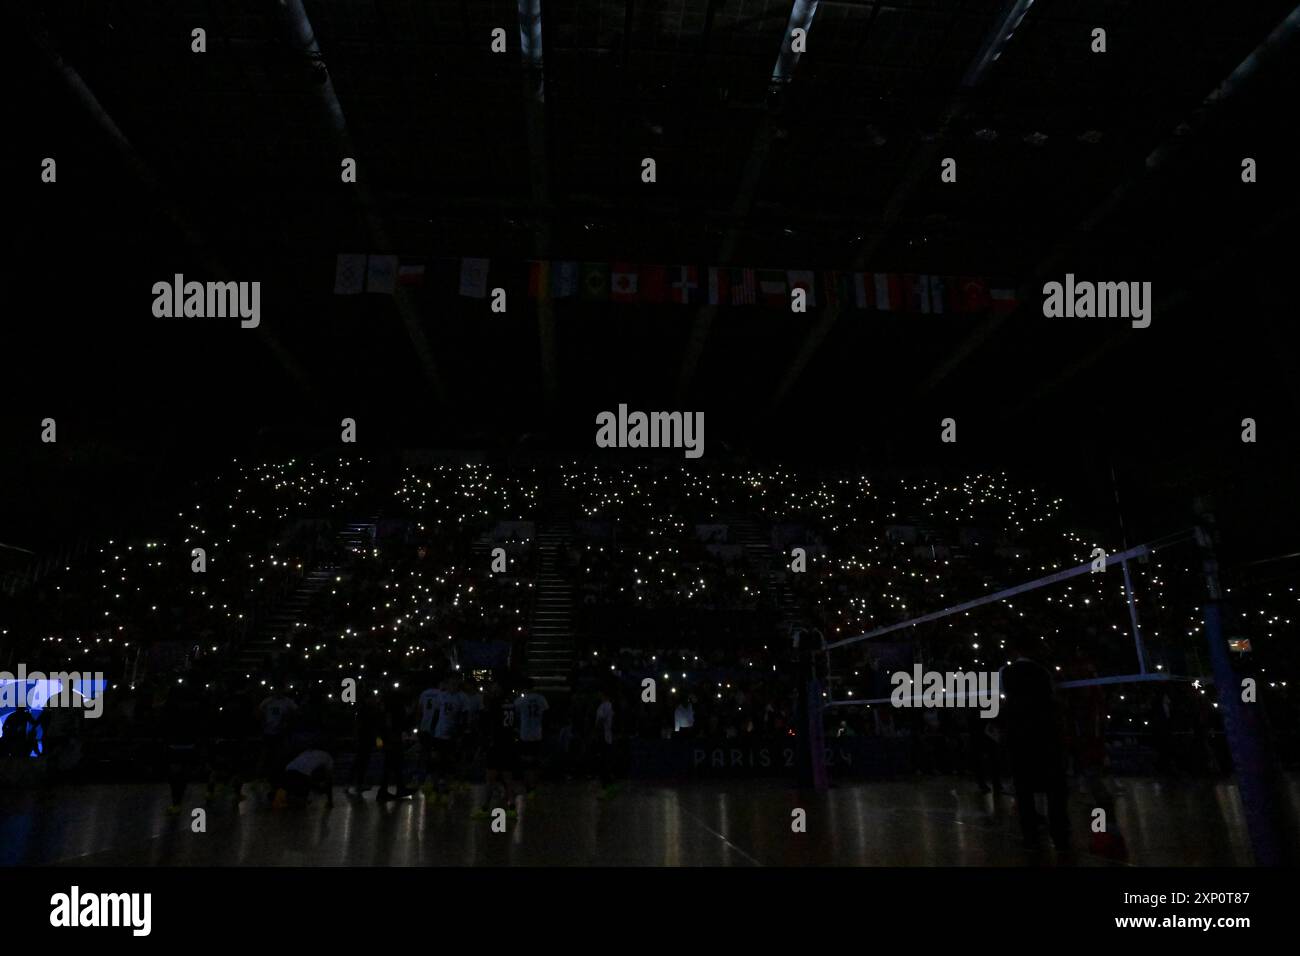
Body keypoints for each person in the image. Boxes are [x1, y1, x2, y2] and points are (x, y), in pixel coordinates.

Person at [1000, 634, 1070, 851]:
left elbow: (1004, 699)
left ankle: (1030, 836)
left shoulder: (1005, 673)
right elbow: (1054, 699)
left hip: (1019, 737)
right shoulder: (1044, 672)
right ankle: (1060, 836)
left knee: (1024, 789)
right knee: (1054, 789)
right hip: (1045, 735)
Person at [473, 682, 518, 819]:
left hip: (497, 744)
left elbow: (488, 724)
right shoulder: (511, 703)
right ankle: (511, 808)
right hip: (509, 743)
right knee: (508, 778)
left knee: (490, 778)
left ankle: (485, 807)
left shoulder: (494, 705)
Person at [513, 679, 548, 796]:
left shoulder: (521, 700)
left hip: (525, 734)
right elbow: (546, 714)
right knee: (536, 761)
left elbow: (515, 713)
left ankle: (528, 785)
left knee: (526, 762)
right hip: (537, 733)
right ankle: (534, 785)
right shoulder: (541, 699)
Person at [594, 688, 616, 798]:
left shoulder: (604, 706)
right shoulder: (609, 706)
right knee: (605, 763)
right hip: (607, 738)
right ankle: (607, 788)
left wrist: (598, 735)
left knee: (604, 764)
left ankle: (605, 789)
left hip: (604, 738)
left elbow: (601, 721)